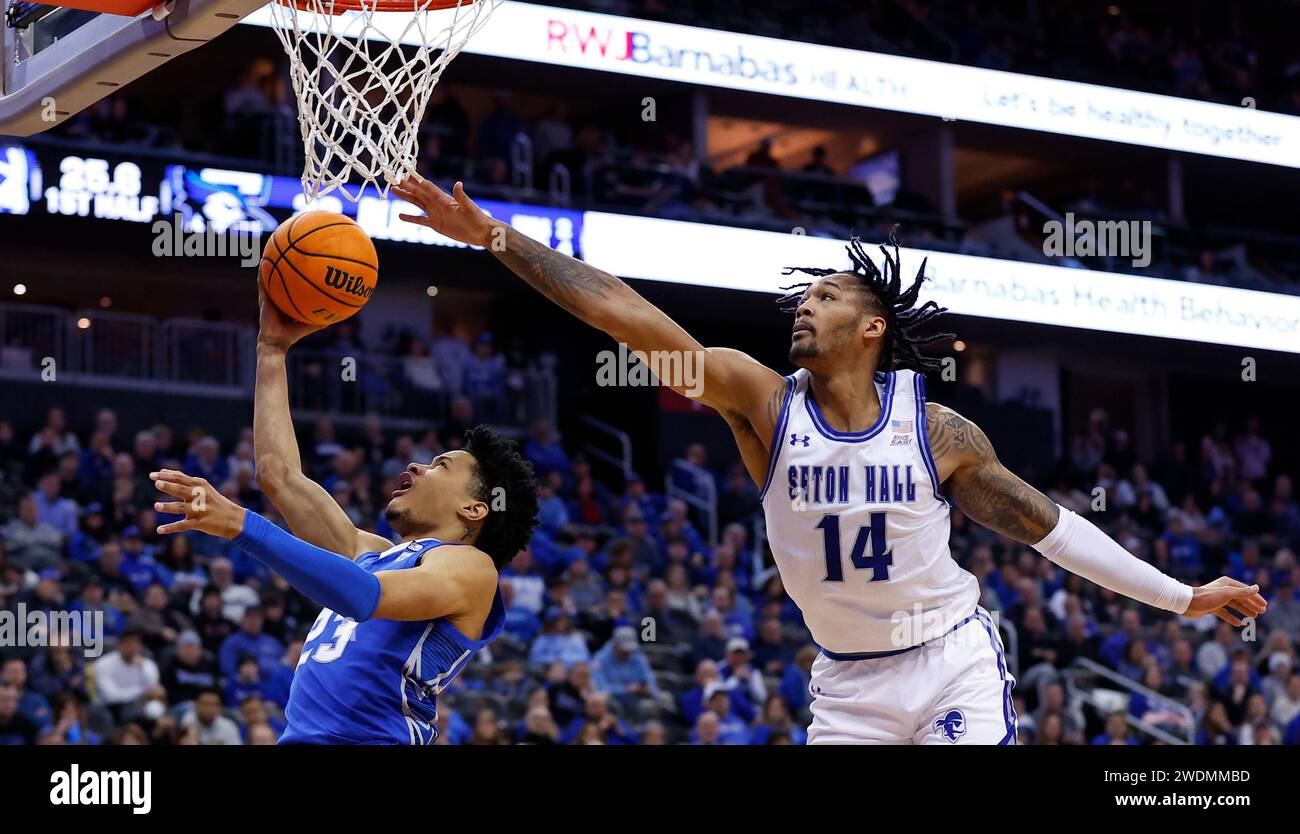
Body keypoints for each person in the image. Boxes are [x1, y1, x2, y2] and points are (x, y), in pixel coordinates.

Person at [393, 175, 1269, 745]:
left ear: (872, 325)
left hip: (952, 661)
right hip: (848, 687)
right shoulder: (761, 401)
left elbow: (1052, 530)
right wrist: (496, 238)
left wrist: (1181, 597)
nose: (804, 308)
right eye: (803, 297)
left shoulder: (937, 431)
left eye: (827, 296)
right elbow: (626, 315)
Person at [144, 287, 540, 744]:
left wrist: (241, 524)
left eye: (440, 465)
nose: (416, 466)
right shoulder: (372, 553)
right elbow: (278, 476)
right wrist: (271, 351)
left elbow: (363, 595)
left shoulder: (472, 568)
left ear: (474, 508)